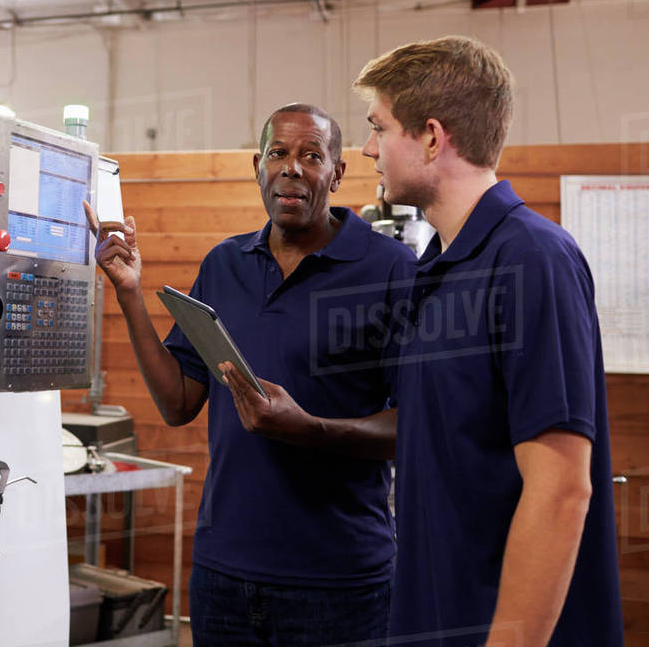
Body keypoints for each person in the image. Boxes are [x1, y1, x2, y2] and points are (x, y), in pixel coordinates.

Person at [225, 37, 623, 645]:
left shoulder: (532, 258)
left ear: (432, 138)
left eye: (378, 128)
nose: (364, 150)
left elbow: (562, 489)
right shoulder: (437, 268)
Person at [84, 104, 414, 646]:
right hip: (224, 575)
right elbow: (178, 403)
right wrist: (129, 294)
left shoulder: (390, 270)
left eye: (312, 155)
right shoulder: (224, 264)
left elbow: (412, 428)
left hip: (341, 583)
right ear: (256, 166)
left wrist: (307, 428)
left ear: (336, 173)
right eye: (278, 153)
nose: (292, 168)